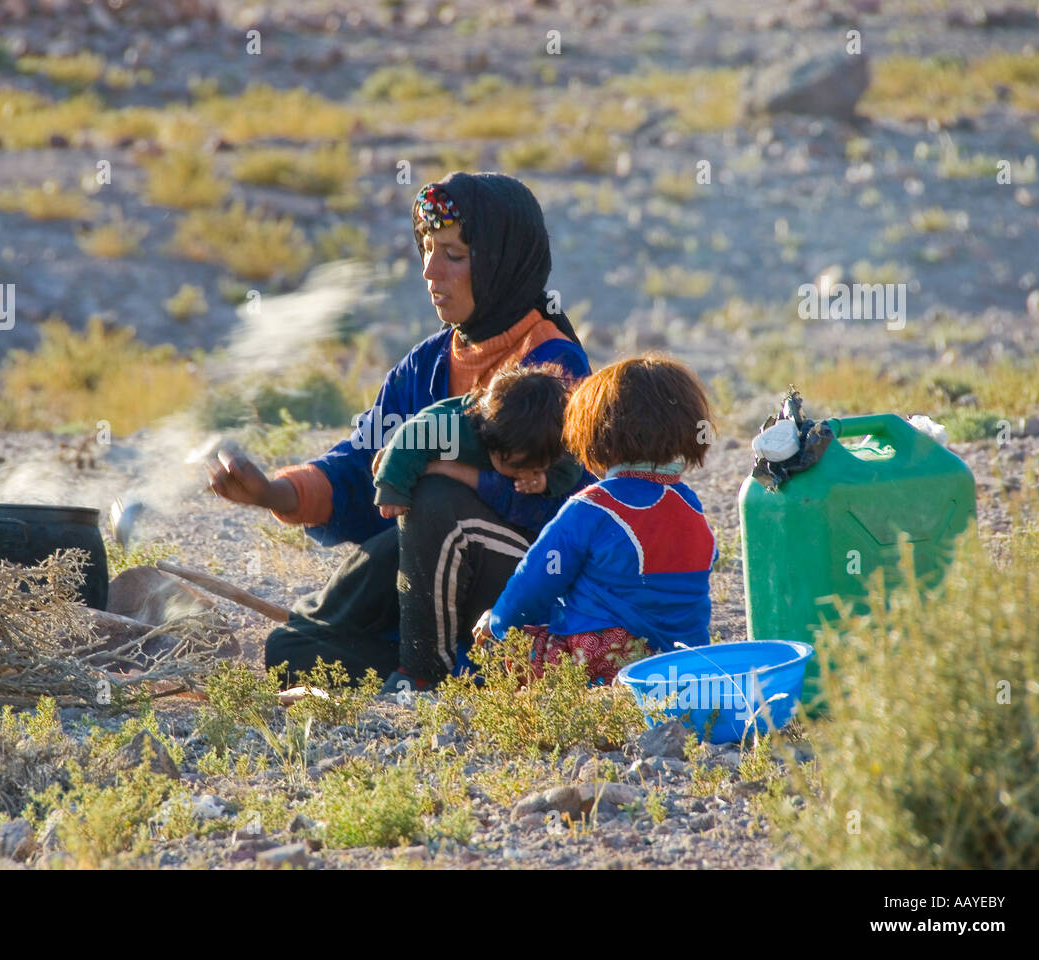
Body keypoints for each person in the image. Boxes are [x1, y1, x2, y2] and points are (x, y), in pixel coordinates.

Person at [204, 172, 591, 693]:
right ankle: (444, 674)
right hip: (430, 604)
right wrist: (274, 492)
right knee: (293, 650)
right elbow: (363, 463)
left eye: (454, 254)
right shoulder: (427, 364)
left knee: (430, 497)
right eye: (428, 250)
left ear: (502, 261)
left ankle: (428, 678)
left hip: (518, 599)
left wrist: (459, 480)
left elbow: (568, 506)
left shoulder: (553, 366)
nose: (431, 271)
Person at [472, 354, 718, 685]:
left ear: (596, 435)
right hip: (686, 663)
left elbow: (534, 582)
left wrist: (497, 623)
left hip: (611, 662)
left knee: (513, 641)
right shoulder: (689, 502)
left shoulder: (592, 506)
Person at [372, 362, 583, 518]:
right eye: (516, 468)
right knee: (426, 487)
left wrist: (545, 481)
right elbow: (414, 433)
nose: (525, 475)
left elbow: (572, 466)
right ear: (491, 443)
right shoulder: (456, 429)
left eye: (536, 468)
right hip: (422, 442)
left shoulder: (555, 439)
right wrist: (392, 487)